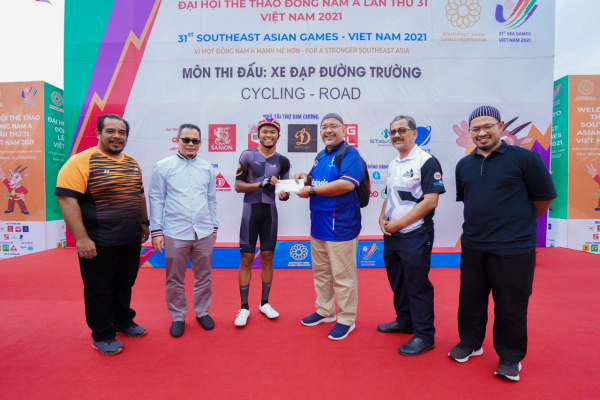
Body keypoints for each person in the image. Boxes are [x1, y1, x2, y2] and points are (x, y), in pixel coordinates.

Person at [450, 106, 556, 381]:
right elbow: (469, 200)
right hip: (474, 245)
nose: (482, 133)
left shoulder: (525, 159)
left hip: (514, 247)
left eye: (488, 126)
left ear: (501, 125)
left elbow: (544, 197)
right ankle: (470, 342)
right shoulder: (464, 165)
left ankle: (510, 357)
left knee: (511, 305)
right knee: (470, 298)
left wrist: (518, 221)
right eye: (475, 129)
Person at [55, 114, 149, 356]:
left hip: (130, 239)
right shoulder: (80, 162)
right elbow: (66, 200)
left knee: (124, 284)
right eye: (110, 131)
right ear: (98, 133)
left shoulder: (132, 163)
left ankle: (123, 321)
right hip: (98, 241)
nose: (117, 136)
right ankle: (102, 334)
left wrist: (144, 222)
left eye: (122, 132)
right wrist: (82, 239)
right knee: (99, 289)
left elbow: (139, 195)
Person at [377, 115, 445, 356]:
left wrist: (400, 224)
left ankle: (425, 335)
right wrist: (382, 218)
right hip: (392, 234)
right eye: (392, 132)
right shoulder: (394, 163)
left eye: (402, 130)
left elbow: (431, 201)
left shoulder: (427, 161)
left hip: (416, 234)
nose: (396, 135)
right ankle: (405, 321)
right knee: (398, 282)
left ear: (414, 134)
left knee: (418, 285)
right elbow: (390, 195)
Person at [295, 113, 365, 341]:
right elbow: (314, 180)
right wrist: (305, 178)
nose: (328, 130)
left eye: (333, 126)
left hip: (341, 227)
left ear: (344, 130)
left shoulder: (350, 154)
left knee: (343, 277)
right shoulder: (321, 155)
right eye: (324, 127)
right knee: (322, 273)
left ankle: (346, 318)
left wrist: (312, 190)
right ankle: (325, 310)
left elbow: (347, 184)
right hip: (318, 226)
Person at [149, 123, 218, 338]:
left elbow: (211, 199)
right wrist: (156, 231)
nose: (190, 144)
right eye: (186, 139)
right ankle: (178, 316)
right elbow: (156, 199)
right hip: (174, 231)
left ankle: (202, 312)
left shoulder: (207, 168)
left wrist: (214, 226)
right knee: (174, 278)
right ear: (177, 140)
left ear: (200, 143)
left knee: (204, 276)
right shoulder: (163, 166)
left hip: (203, 231)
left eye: (195, 141)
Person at [234, 117, 290, 327]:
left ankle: (265, 303)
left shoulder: (283, 161)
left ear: (278, 136)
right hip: (250, 212)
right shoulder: (247, 155)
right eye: (265, 131)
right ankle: (244, 307)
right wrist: (260, 184)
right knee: (246, 258)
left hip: (270, 213)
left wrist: (284, 194)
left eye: (272, 132)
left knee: (267, 257)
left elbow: (284, 189)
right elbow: (238, 186)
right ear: (258, 134)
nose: (268, 135)